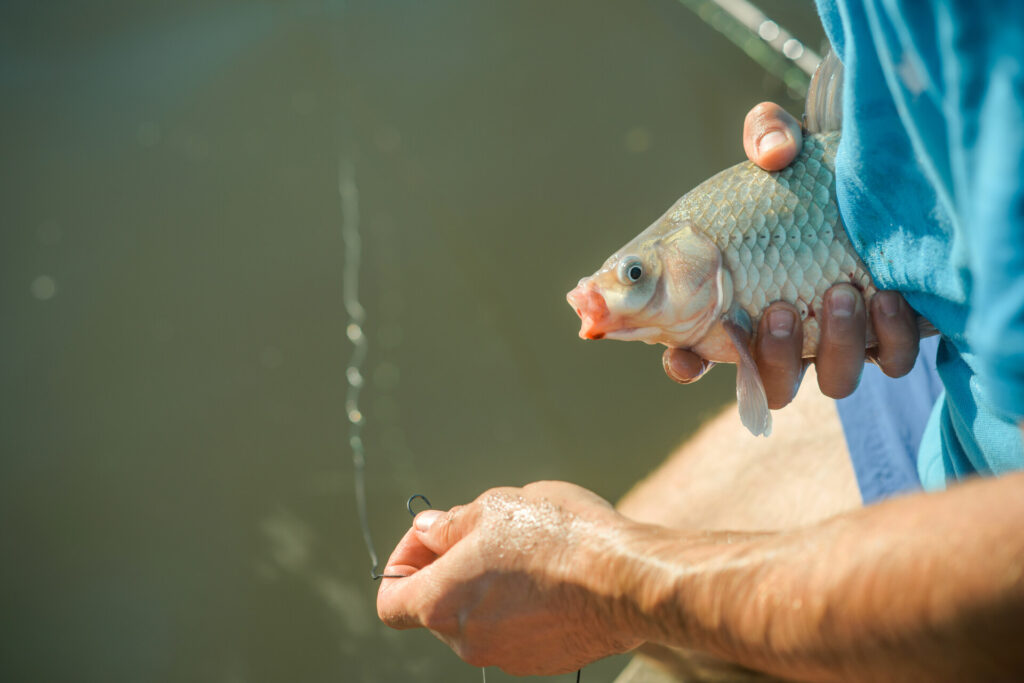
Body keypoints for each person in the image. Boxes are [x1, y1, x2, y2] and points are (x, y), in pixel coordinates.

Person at [376, 2, 1024, 679]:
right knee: (634, 531)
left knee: (641, 622)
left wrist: (614, 591)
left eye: (637, 274)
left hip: (995, 539)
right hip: (961, 373)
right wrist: (865, 128)